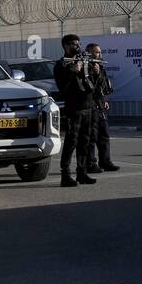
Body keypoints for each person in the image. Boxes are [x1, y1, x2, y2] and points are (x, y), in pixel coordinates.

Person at [52, 34, 97, 187]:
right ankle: (65, 175)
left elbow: (91, 84)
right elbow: (63, 88)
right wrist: (72, 71)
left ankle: (82, 173)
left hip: (87, 107)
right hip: (74, 108)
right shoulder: (62, 65)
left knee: (85, 142)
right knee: (71, 142)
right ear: (65, 46)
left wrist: (94, 71)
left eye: (78, 43)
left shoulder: (83, 61)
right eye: (73, 44)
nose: (77, 46)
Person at [84, 42, 119, 173]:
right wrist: (95, 73)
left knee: (104, 134)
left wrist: (104, 99)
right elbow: (89, 87)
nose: (98, 54)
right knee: (92, 136)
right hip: (90, 105)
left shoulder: (100, 67)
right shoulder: (85, 68)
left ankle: (105, 161)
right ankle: (90, 163)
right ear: (89, 53)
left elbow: (102, 87)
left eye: (99, 52)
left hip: (99, 104)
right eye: (95, 52)